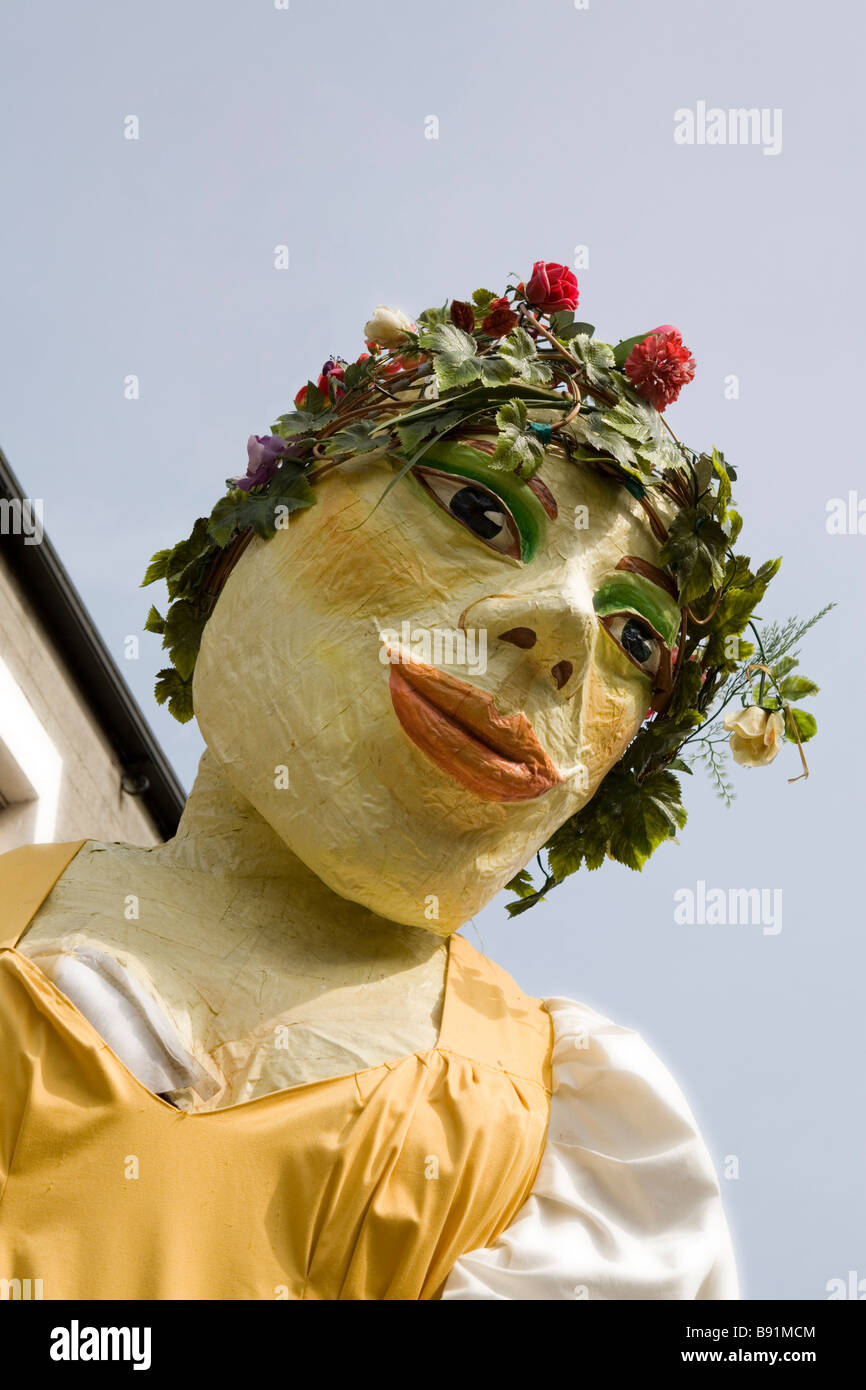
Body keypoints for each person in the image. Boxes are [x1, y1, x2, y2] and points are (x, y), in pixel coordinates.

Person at [1, 263, 818, 1299]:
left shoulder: (566, 1144)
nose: (564, 628)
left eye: (631, 636)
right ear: (260, 524)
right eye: (477, 509)